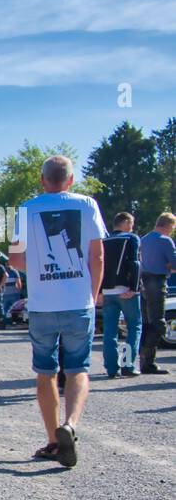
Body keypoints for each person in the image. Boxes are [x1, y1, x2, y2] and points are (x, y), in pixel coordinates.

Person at [9, 154, 105, 467]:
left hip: (42, 304)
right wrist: (91, 295)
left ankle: (53, 439)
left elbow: (15, 261)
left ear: (42, 180)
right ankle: (71, 424)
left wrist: (39, 265)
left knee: (45, 372)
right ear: (71, 179)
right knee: (78, 368)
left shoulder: (26, 209)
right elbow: (98, 257)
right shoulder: (87, 205)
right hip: (79, 301)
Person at [99, 212, 143, 379]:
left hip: (107, 292)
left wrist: (98, 291)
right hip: (126, 290)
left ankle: (111, 368)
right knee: (133, 327)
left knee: (110, 331)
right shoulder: (131, 239)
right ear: (125, 223)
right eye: (131, 224)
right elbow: (135, 262)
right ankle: (127, 365)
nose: (132, 227)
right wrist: (134, 287)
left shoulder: (103, 240)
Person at [137, 212, 176, 375]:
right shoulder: (165, 241)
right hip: (157, 282)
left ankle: (142, 360)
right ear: (168, 225)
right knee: (158, 322)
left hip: (143, 282)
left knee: (146, 323)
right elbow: (174, 264)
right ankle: (149, 363)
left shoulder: (143, 239)